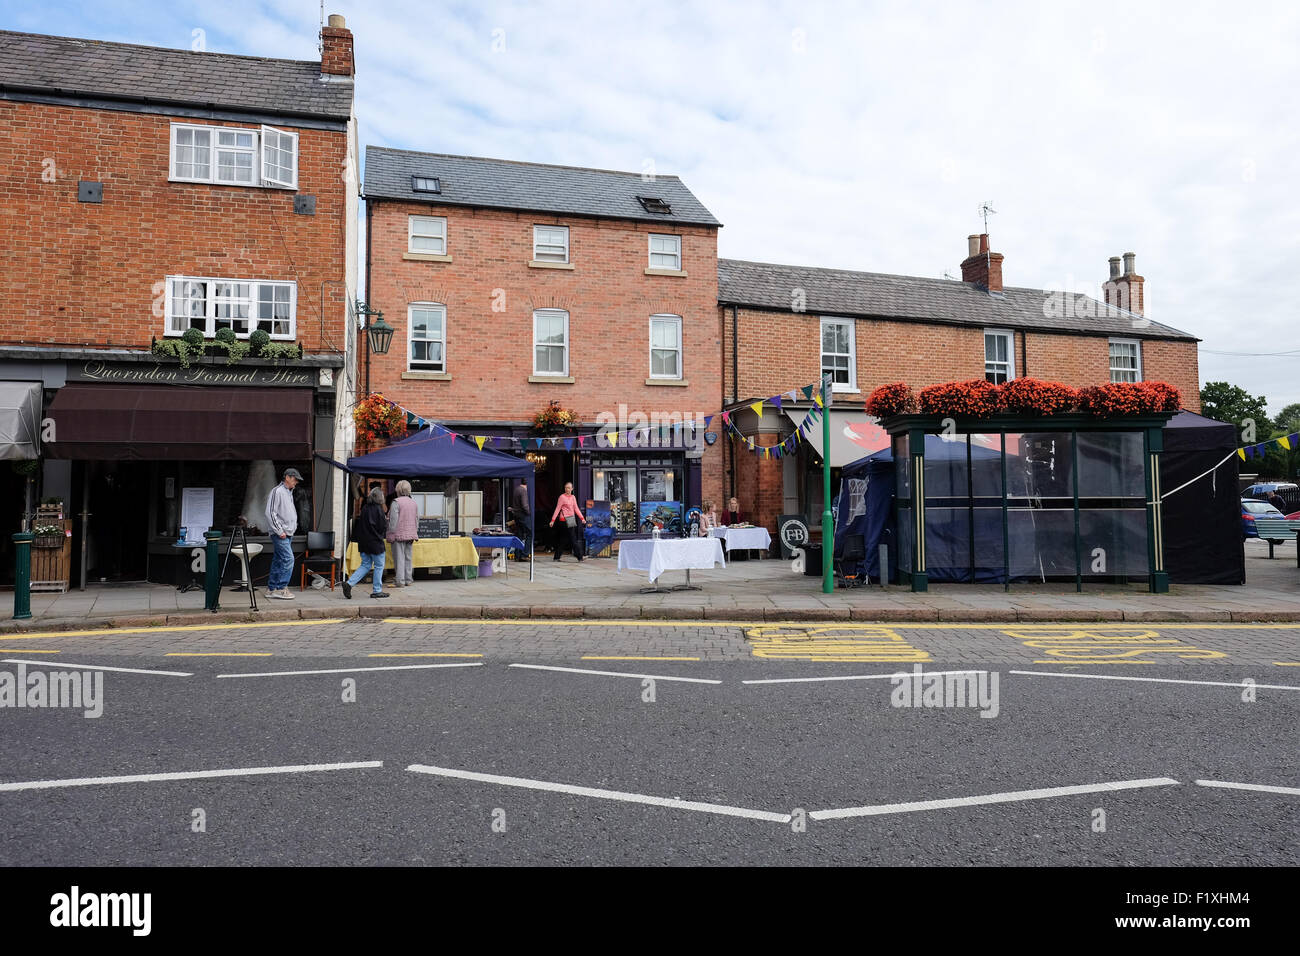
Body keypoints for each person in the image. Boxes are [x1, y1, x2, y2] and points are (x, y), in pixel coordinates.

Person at [344, 487, 390, 599]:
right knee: (379, 566)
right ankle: (377, 590)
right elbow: (382, 527)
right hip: (375, 543)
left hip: (364, 543)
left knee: (365, 564)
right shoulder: (379, 510)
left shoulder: (365, 508)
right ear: (380, 498)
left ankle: (349, 583)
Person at [264, 467, 301, 599]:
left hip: (286, 533)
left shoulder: (288, 492)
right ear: (287, 477)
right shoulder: (277, 491)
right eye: (295, 479)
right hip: (281, 533)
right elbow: (270, 513)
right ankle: (280, 589)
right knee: (288, 559)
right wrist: (279, 531)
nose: (296, 482)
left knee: (279, 560)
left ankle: (271, 588)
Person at [386, 479, 418, 588]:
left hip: (398, 534)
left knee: (399, 558)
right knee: (408, 557)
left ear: (398, 490)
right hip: (411, 533)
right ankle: (408, 579)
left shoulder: (396, 502)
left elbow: (393, 521)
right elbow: (417, 519)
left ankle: (400, 581)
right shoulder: (413, 502)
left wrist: (390, 533)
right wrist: (415, 531)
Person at [549, 481, 586, 561]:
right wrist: (553, 520)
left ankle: (556, 557)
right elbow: (557, 509)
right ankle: (580, 557)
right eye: (566, 487)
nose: (567, 489)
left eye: (569, 488)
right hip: (563, 520)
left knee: (563, 539)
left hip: (571, 519)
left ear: (572, 489)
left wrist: (582, 518)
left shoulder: (573, 497)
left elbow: (576, 508)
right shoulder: (562, 497)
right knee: (573, 539)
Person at [512, 476, 532, 559]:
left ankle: (517, 555)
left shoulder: (516, 489)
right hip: (523, 515)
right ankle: (525, 554)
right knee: (529, 534)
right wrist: (529, 513)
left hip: (516, 515)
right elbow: (524, 505)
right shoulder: (523, 491)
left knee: (519, 535)